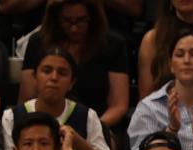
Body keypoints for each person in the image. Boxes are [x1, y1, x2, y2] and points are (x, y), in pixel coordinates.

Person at [1, 50, 116, 150]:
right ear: (34, 77)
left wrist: (77, 142)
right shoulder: (12, 116)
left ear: (72, 82)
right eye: (47, 71)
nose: (54, 77)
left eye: (62, 73)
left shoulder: (87, 116)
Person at [19, 0, 131, 135]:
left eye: (81, 21)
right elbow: (26, 99)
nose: (74, 28)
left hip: (99, 127)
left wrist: (91, 128)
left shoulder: (113, 44)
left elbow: (118, 105)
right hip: (44, 129)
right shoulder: (38, 42)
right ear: (56, 18)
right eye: (66, 21)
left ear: (93, 18)